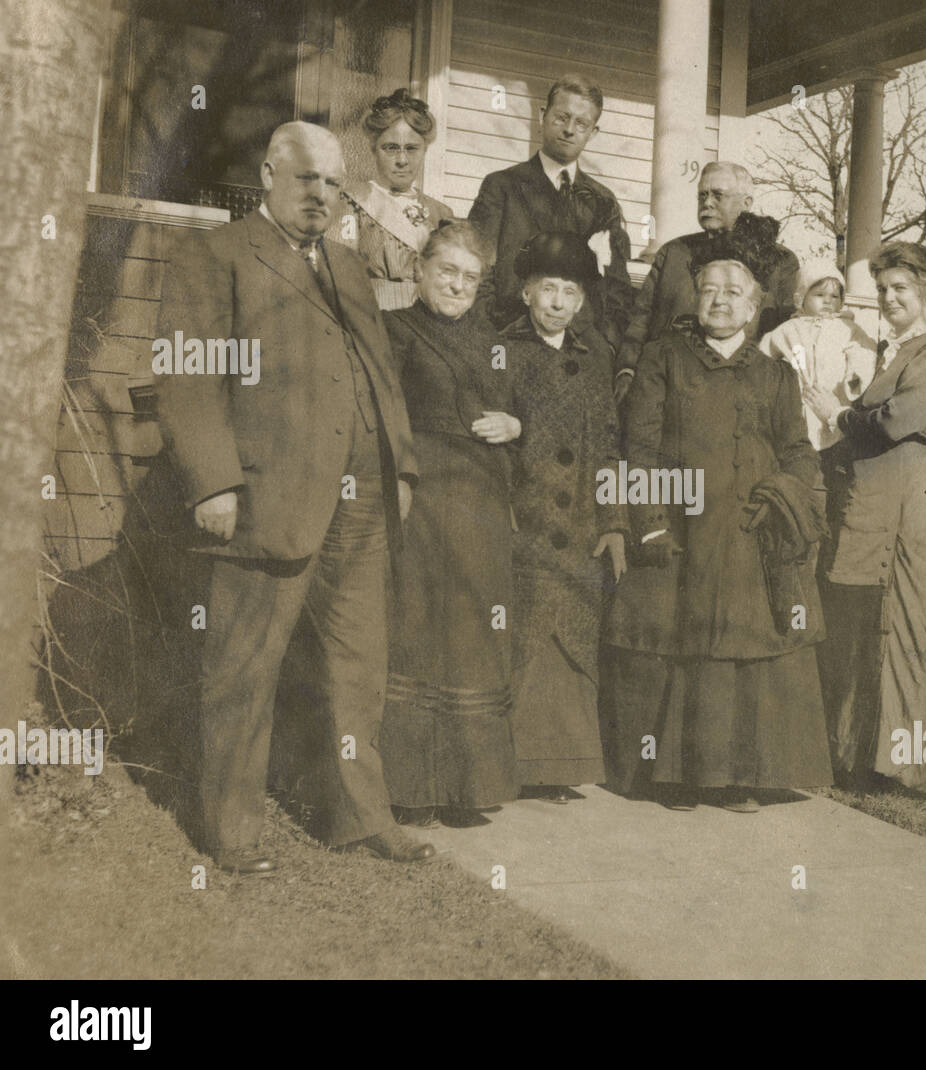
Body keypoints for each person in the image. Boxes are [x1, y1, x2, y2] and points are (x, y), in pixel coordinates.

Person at [155, 121, 432, 873]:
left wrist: (400, 466)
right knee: (244, 666)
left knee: (357, 669)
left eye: (333, 183)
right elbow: (186, 376)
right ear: (268, 172)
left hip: (362, 496)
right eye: (306, 178)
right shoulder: (216, 255)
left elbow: (380, 370)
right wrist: (213, 481)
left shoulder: (347, 266)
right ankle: (233, 829)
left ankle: (360, 814)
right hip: (267, 496)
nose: (320, 195)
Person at [603, 216, 832, 813]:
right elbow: (641, 447)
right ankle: (676, 778)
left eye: (734, 292)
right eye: (709, 291)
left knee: (744, 650)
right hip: (682, 529)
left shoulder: (777, 374)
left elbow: (799, 449)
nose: (720, 301)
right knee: (680, 644)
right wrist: (649, 518)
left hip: (754, 532)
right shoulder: (663, 359)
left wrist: (793, 498)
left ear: (756, 307)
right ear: (694, 298)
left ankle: (737, 779)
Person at [378, 220, 520, 826]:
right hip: (421, 498)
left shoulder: (497, 343)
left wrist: (516, 426)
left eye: (470, 276)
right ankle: (409, 790)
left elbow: (522, 411)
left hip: (482, 508)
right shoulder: (392, 331)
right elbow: (381, 417)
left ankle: (467, 790)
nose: (458, 285)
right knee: (414, 631)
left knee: (470, 640)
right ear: (420, 270)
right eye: (447, 271)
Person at [811, 241, 926, 794]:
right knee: (864, 621)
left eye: (901, 288)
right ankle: (857, 756)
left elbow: (900, 419)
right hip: (876, 491)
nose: (890, 297)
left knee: (905, 619)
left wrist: (842, 415)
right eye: (883, 290)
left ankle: (905, 765)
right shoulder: (887, 349)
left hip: (913, 494)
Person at [503, 232, 628, 801]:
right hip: (521, 516)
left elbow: (607, 444)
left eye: (569, 292)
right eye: (547, 288)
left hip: (578, 520)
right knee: (523, 633)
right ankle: (513, 762)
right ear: (527, 291)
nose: (556, 301)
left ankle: (559, 765)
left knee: (572, 634)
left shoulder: (593, 358)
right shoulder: (501, 348)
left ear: (581, 303)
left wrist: (614, 522)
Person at [469, 74, 633, 353]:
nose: (569, 129)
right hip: (511, 340)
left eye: (581, 123)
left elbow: (616, 288)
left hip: (583, 350)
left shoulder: (603, 201)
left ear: (593, 132)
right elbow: (477, 271)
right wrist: (492, 339)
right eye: (561, 117)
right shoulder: (502, 187)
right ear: (543, 116)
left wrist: (606, 344)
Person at [614, 164, 799, 403]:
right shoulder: (674, 252)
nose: (707, 203)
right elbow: (641, 319)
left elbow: (786, 332)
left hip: (738, 391)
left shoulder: (779, 261)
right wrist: (626, 369)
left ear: (747, 203)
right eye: (702, 195)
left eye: (717, 195)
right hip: (665, 385)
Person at [334, 88, 455, 310]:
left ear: (425, 150)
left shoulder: (441, 214)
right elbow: (340, 276)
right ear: (373, 148)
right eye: (390, 148)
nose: (402, 160)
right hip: (372, 315)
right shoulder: (351, 203)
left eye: (411, 149)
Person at [758, 259, 876, 468]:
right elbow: (764, 355)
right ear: (801, 299)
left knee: (836, 457)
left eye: (834, 296)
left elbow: (864, 352)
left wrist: (854, 376)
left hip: (836, 400)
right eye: (819, 295)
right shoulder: (789, 329)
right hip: (800, 403)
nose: (828, 301)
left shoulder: (848, 328)